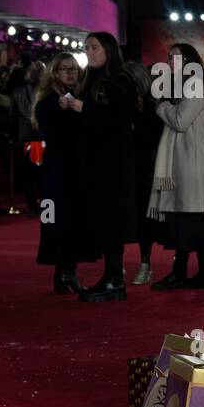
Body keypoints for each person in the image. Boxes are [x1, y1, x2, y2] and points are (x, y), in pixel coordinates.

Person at [65, 33, 136, 302]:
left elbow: (120, 118)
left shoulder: (118, 79)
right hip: (97, 162)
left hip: (112, 164)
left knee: (111, 220)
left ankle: (115, 279)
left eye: (94, 47)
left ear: (108, 49)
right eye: (86, 48)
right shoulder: (93, 77)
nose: (90, 52)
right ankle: (112, 277)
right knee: (104, 220)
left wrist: (83, 107)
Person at [148, 43, 204, 289]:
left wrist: (161, 106)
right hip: (183, 156)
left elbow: (180, 120)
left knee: (190, 214)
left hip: (190, 158)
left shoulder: (196, 84)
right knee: (187, 215)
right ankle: (200, 271)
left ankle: (189, 272)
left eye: (174, 58)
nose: (169, 62)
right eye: (168, 58)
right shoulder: (185, 85)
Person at [32, 54, 91, 292]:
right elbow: (57, 137)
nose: (70, 73)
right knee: (58, 220)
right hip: (57, 170)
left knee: (73, 220)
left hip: (74, 168)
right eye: (64, 69)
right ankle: (65, 271)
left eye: (73, 69)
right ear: (54, 73)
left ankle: (65, 272)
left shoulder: (78, 98)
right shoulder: (47, 102)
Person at [124, 50, 163, 285]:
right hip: (125, 166)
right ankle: (120, 265)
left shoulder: (150, 106)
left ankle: (145, 263)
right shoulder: (124, 105)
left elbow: (152, 137)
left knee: (144, 220)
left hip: (144, 168)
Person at [11, 62, 42, 214]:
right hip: (42, 137)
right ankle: (45, 206)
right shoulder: (46, 92)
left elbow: (13, 116)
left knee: (28, 174)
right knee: (43, 173)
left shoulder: (17, 91)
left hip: (24, 138)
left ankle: (31, 206)